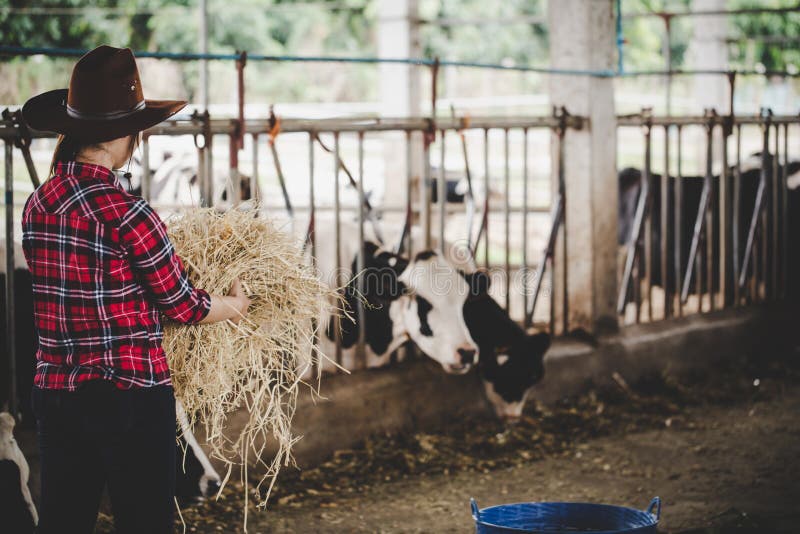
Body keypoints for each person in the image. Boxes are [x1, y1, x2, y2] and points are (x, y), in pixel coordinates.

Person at [20, 45, 250, 533]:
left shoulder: (38, 204)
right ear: (123, 134)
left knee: (63, 519)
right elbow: (183, 304)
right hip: (129, 395)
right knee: (144, 520)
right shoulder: (129, 213)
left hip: (57, 392)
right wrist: (233, 304)